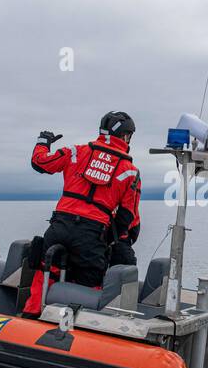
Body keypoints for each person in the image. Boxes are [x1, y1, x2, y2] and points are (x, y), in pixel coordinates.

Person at [25, 111, 141, 313]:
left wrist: (43, 141)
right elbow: (127, 216)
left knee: (45, 275)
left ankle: (31, 315)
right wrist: (108, 241)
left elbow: (40, 162)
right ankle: (77, 331)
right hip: (92, 235)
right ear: (125, 136)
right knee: (89, 288)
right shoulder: (129, 170)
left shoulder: (76, 152)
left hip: (59, 226)